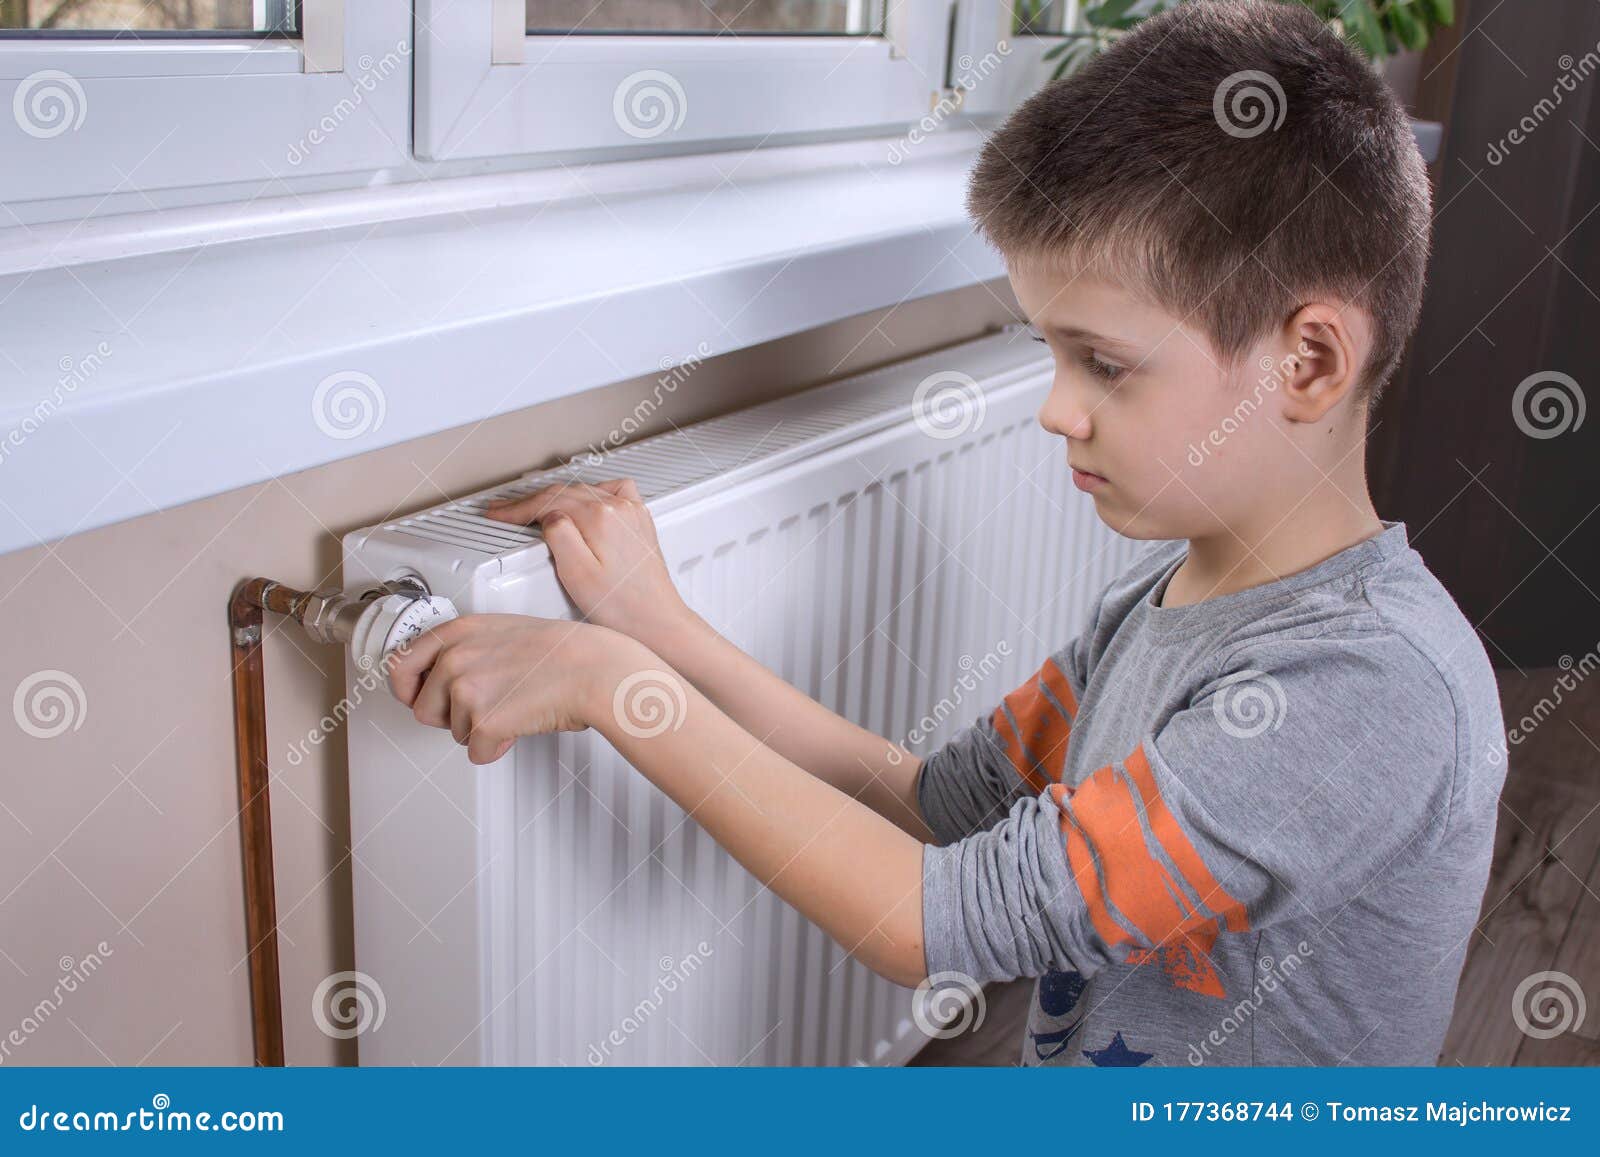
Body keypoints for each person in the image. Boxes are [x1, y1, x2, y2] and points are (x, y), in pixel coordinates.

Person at [387, 0, 1507, 1066]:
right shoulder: (1161, 601)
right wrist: (659, 626)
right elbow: (931, 807)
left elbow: (929, 919)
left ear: (1305, 361)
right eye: (1050, 356)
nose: (1056, 409)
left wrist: (609, 681)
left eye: (1104, 364)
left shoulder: (1369, 686)